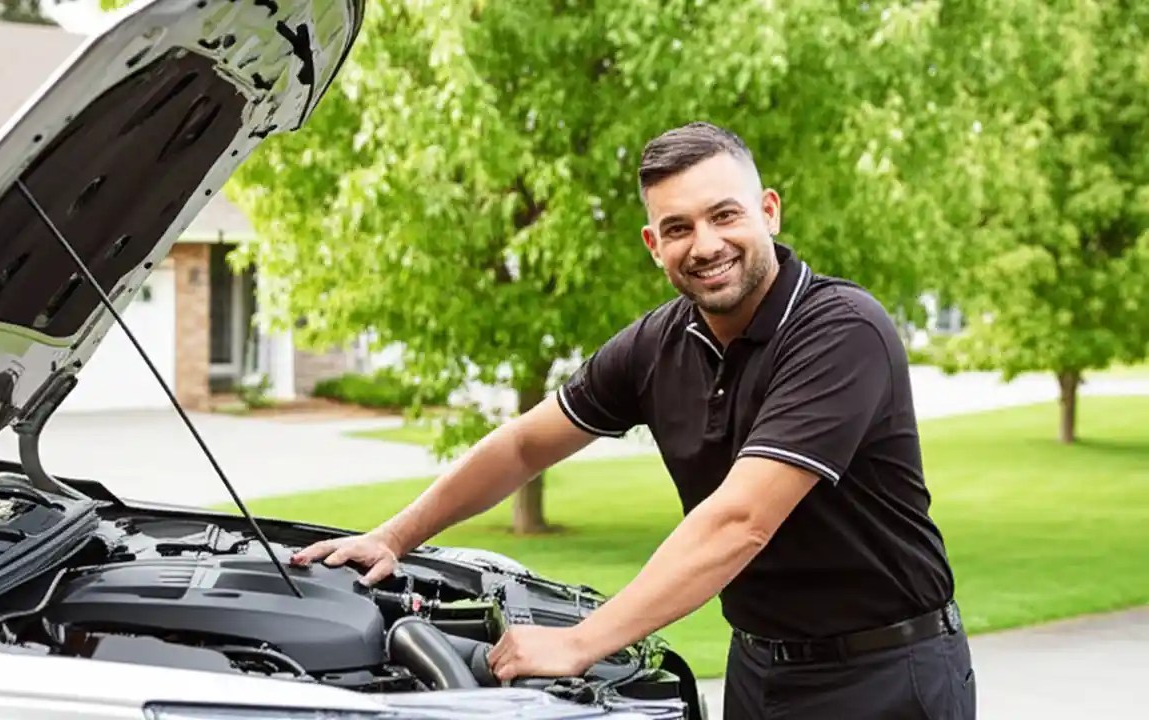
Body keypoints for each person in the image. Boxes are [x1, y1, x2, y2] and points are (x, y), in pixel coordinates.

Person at [291, 121, 975, 718]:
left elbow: (741, 521)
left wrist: (583, 641)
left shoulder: (840, 330)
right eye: (678, 228)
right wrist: (395, 536)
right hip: (762, 667)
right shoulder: (658, 342)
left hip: (885, 673)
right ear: (654, 244)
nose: (704, 245)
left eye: (724, 215)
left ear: (769, 212)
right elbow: (527, 445)